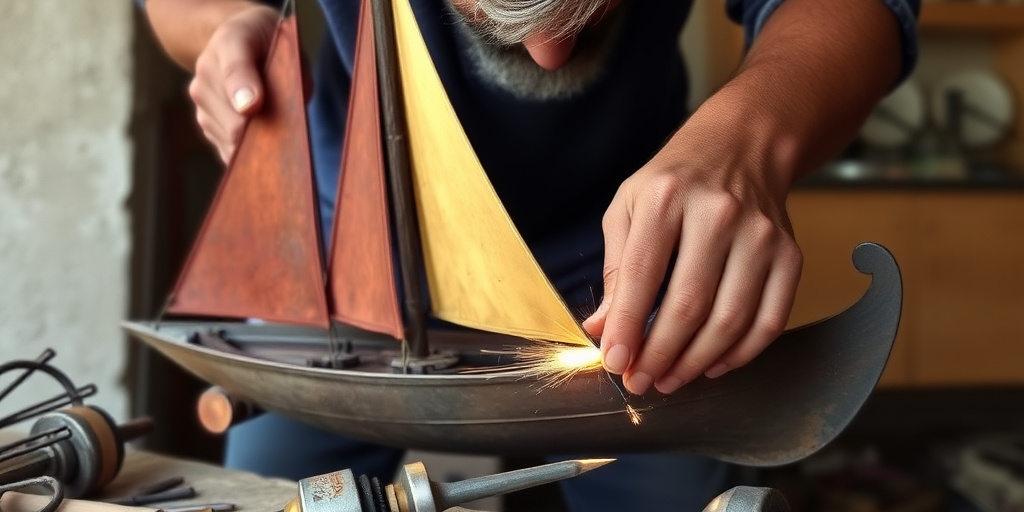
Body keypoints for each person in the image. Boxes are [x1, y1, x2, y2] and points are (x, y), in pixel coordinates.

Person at [140, 0, 920, 509]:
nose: (550, 55)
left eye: (595, 11)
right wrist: (223, 28)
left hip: (629, 272)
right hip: (346, 275)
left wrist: (749, 136)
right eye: (492, 15)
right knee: (261, 488)